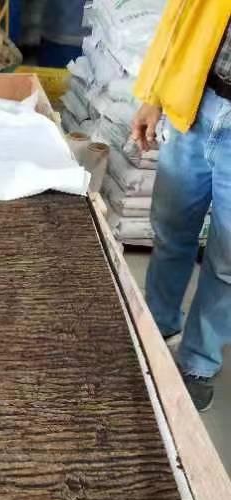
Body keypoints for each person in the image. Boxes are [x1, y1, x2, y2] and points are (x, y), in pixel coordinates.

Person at [132, 2, 231, 412]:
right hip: (196, 103)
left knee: (227, 261)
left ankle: (198, 362)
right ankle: (156, 329)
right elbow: (181, 14)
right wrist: (154, 94)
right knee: (171, 231)